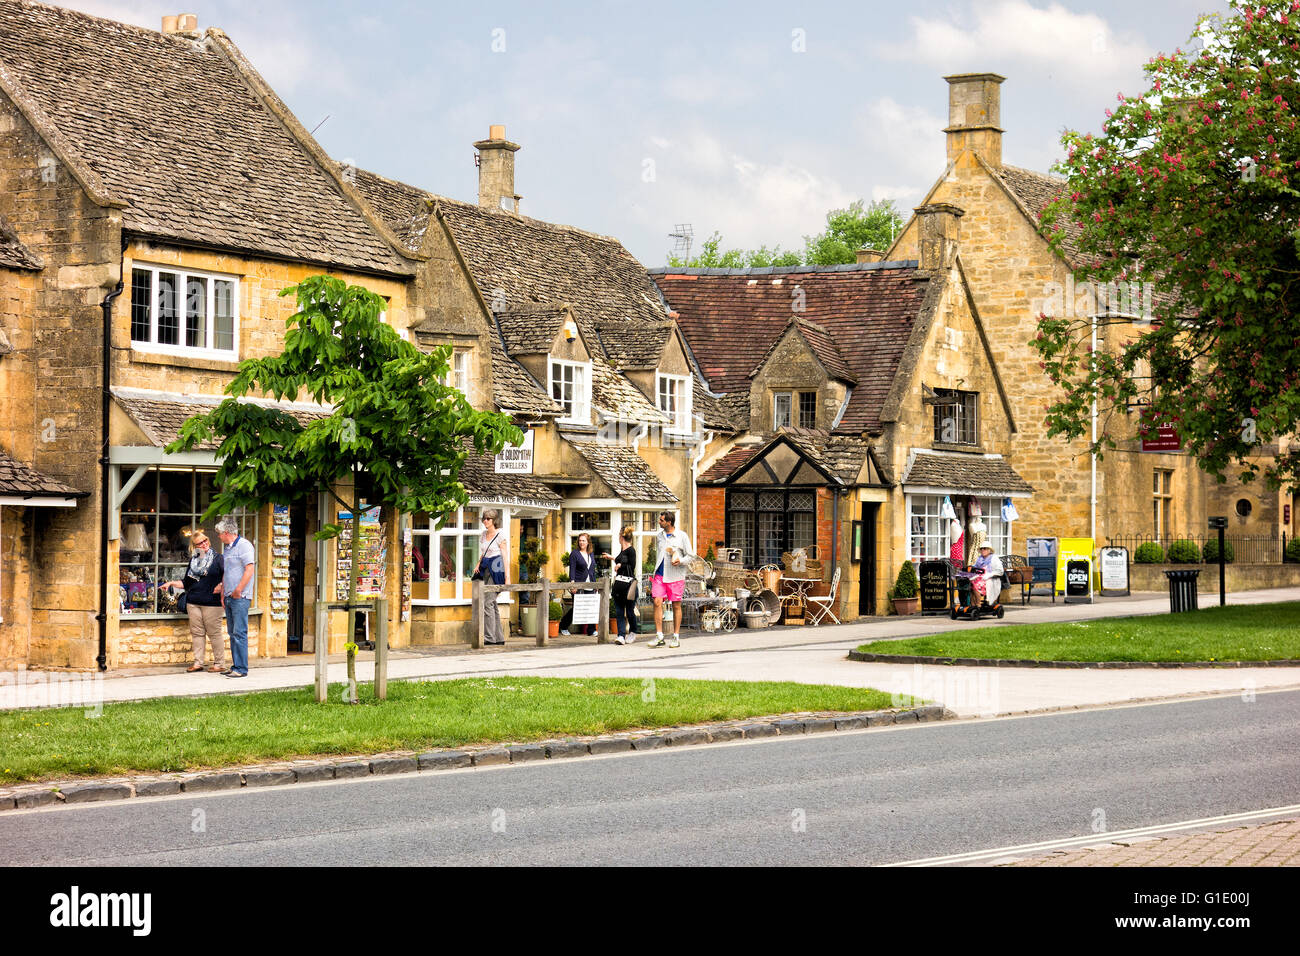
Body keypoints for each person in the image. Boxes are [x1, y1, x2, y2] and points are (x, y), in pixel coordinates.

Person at [163, 530, 227, 673]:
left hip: (212, 602)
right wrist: (171, 583)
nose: (203, 544)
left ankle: (219, 664)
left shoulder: (218, 559)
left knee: (214, 633)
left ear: (208, 541)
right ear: (194, 546)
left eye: (205, 541)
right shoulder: (194, 561)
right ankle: (198, 663)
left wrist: (223, 586)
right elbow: (186, 582)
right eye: (199, 543)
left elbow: (228, 576)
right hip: (193, 602)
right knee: (197, 633)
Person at [214, 517, 255, 678]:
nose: (218, 537)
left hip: (240, 596)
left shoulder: (244, 546)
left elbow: (249, 569)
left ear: (226, 532)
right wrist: (224, 591)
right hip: (229, 596)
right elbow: (227, 572)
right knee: (232, 633)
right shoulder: (228, 549)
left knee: (239, 632)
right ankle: (235, 665)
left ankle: (241, 668)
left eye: (219, 534)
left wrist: (238, 590)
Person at [648, 511, 692, 648]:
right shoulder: (659, 536)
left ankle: (676, 637)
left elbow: (691, 556)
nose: (659, 522)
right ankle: (660, 636)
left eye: (661, 520)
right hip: (660, 575)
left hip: (675, 576)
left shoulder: (682, 536)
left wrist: (680, 560)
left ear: (669, 522)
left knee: (676, 605)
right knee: (657, 602)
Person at [474, 509, 509, 646]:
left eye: (488, 519)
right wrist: (478, 563)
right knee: (492, 603)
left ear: (494, 520)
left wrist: (507, 577)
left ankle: (489, 638)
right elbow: (483, 552)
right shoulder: (483, 535)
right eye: (484, 518)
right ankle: (498, 637)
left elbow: (505, 557)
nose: (485, 521)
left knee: (487, 602)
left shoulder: (500, 534)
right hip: (485, 568)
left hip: (497, 568)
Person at [559, 532, 598, 636]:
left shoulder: (591, 553)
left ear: (588, 542)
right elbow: (572, 570)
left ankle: (591, 630)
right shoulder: (574, 554)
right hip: (578, 584)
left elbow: (592, 570)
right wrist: (573, 585)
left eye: (583, 540)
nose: (581, 542)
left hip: (590, 584)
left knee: (591, 607)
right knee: (578, 607)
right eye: (580, 541)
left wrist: (595, 585)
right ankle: (563, 626)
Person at [607, 527, 639, 645]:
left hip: (629, 586)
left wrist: (620, 565)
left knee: (630, 611)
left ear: (621, 537)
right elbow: (622, 561)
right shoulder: (622, 551)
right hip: (619, 585)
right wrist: (613, 558)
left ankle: (633, 632)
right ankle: (621, 635)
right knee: (619, 612)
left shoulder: (631, 550)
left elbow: (632, 566)